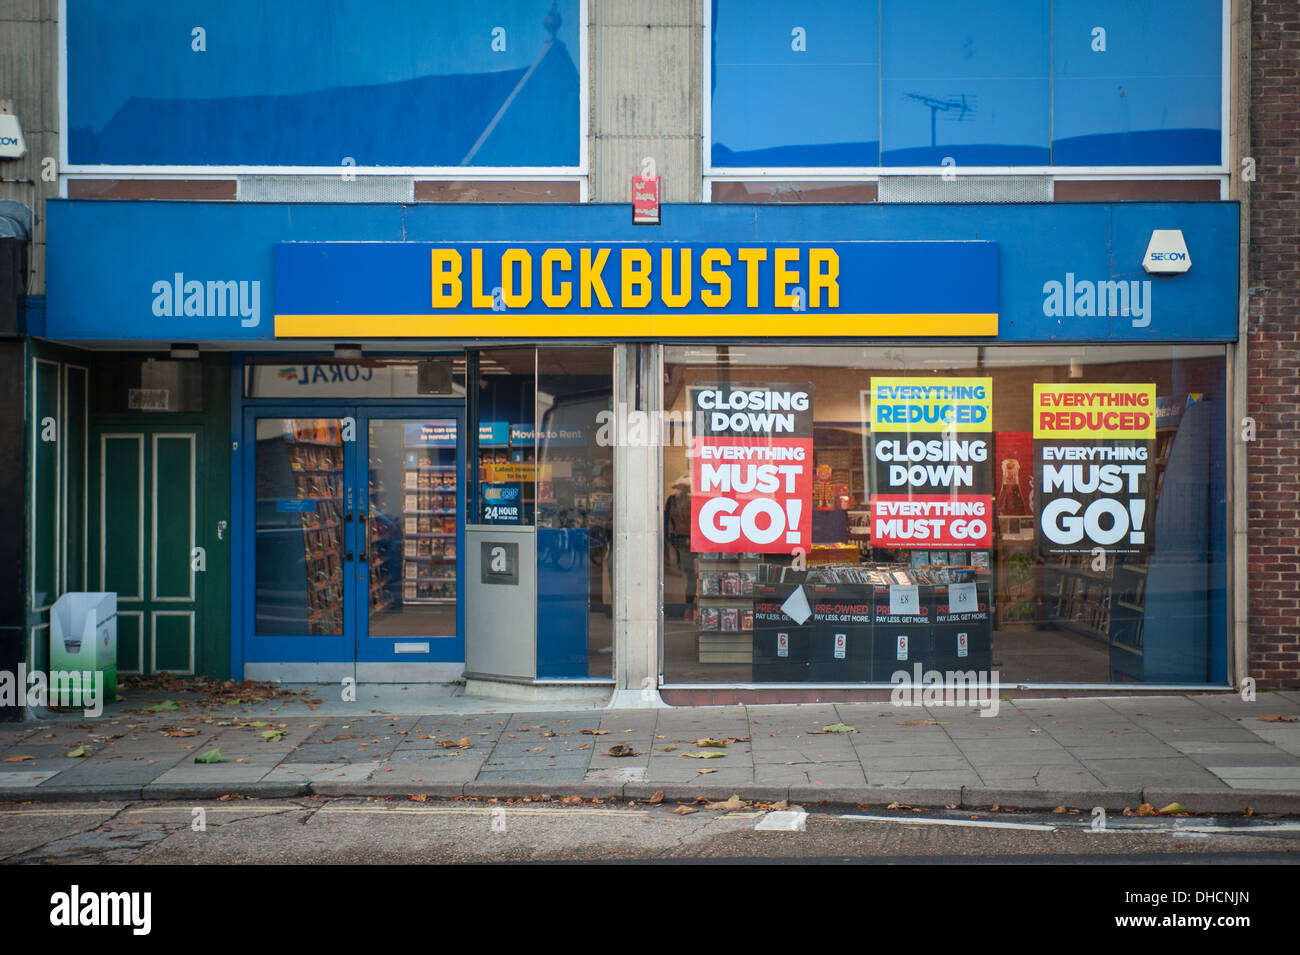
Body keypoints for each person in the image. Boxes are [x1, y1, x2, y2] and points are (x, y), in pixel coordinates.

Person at [664, 474, 697, 620]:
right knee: (686, 575)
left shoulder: (696, 500)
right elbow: (666, 521)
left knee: (693, 575)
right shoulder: (671, 501)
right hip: (678, 542)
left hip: (696, 541)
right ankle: (686, 607)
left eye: (685, 488)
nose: (681, 491)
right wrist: (666, 540)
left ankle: (690, 606)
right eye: (680, 488)